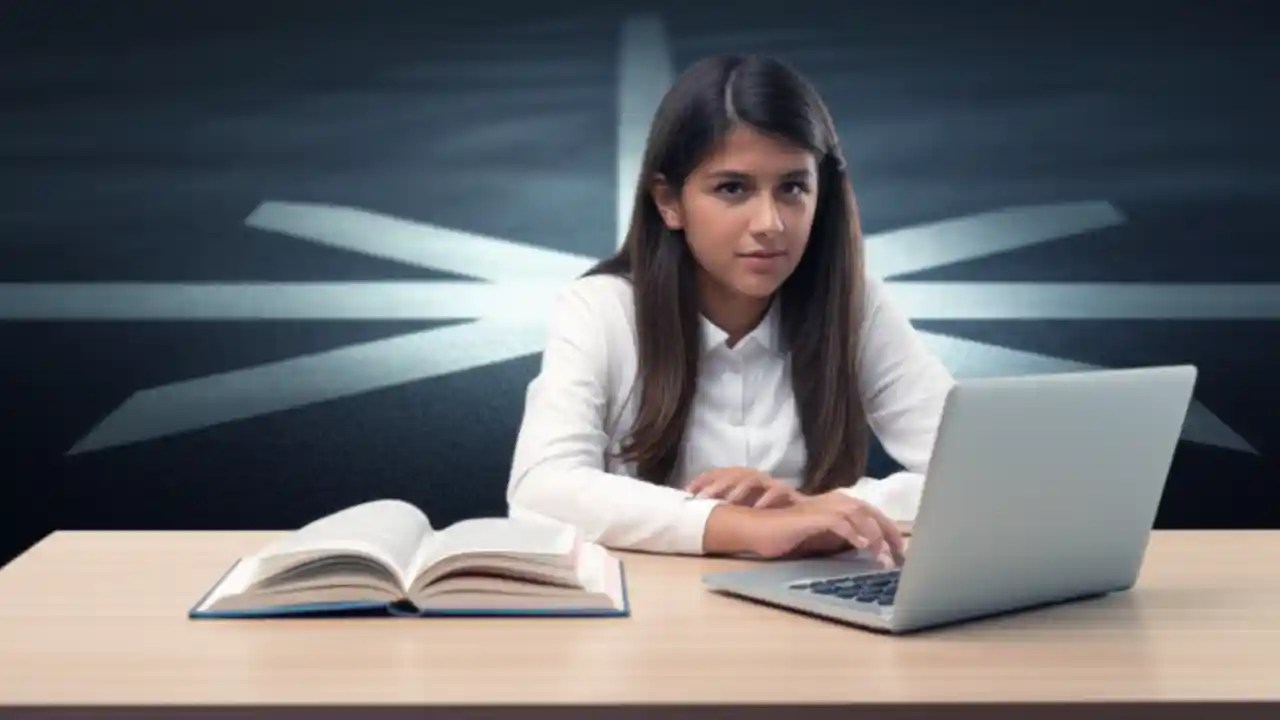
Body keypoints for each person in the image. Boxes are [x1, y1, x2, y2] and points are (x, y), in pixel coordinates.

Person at [506, 54, 954, 568]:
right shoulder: (602, 309)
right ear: (669, 202)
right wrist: (749, 527)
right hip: (649, 617)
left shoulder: (855, 306)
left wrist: (820, 512)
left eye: (792, 188)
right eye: (732, 188)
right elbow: (541, 489)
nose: (769, 223)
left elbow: (981, 471)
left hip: (808, 612)